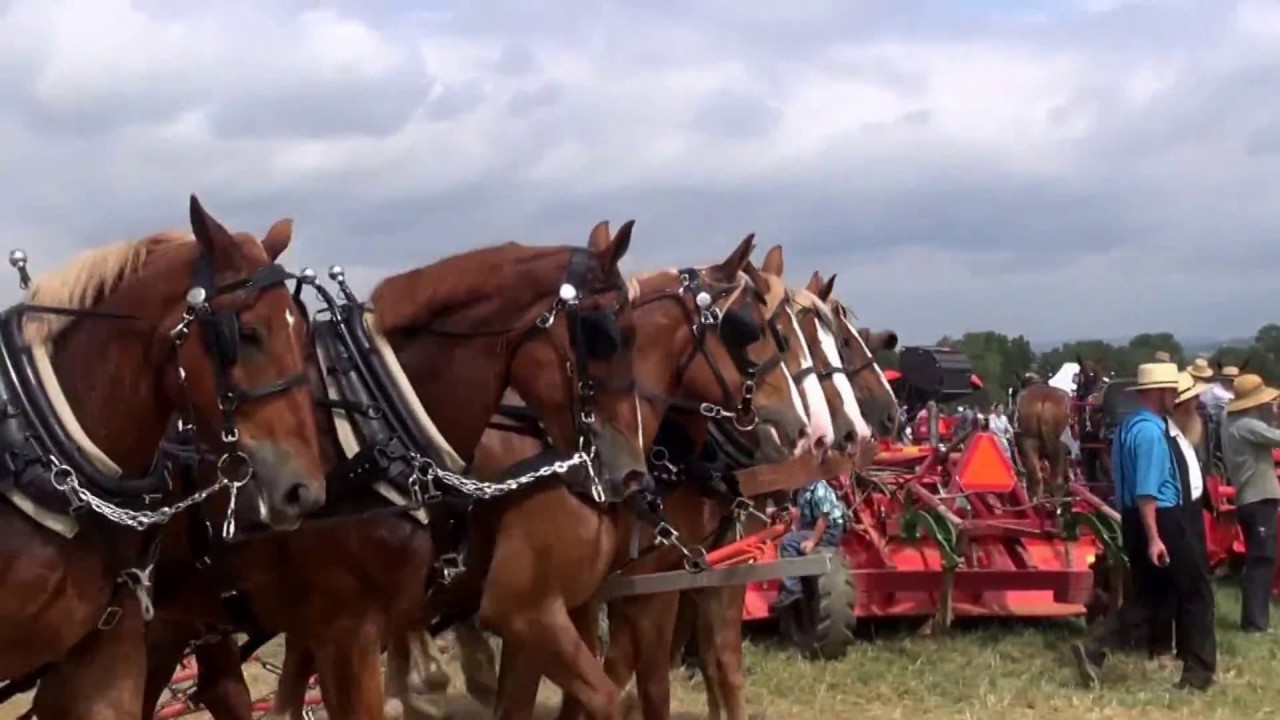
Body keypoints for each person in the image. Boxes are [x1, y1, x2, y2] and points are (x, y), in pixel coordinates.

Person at [1070, 363, 1216, 691]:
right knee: (1196, 592)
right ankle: (1198, 673)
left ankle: (1095, 646)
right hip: (1162, 518)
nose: (1176, 396)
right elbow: (1148, 490)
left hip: (1136, 518)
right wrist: (1155, 537)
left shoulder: (1128, 427)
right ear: (1160, 392)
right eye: (1172, 391)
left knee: (1152, 597)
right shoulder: (1152, 433)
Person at [1220, 373, 1280, 633]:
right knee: (1262, 560)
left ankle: (1255, 620)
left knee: (1259, 559)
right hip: (1259, 498)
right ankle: (1255, 623)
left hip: (1250, 498)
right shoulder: (1247, 425)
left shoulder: (1232, 421)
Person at [770, 477, 847, 608]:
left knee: (787, 543)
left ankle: (792, 589)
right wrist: (795, 528)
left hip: (830, 531)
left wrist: (812, 541)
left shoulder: (820, 489)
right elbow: (800, 513)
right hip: (814, 527)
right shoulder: (802, 490)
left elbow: (824, 518)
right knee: (792, 537)